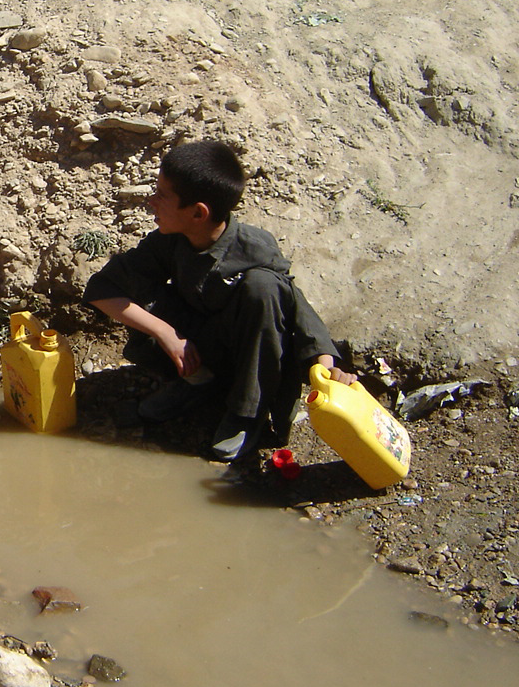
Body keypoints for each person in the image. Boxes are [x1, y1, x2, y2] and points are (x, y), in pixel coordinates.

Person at [82, 139, 356, 461]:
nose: (151, 201)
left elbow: (297, 309)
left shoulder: (254, 247)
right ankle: (198, 381)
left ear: (198, 213)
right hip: (201, 345)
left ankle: (247, 412)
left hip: (248, 354)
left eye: (162, 196)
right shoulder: (169, 242)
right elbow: (101, 290)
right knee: (146, 293)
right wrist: (166, 334)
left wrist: (325, 369)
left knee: (265, 288)